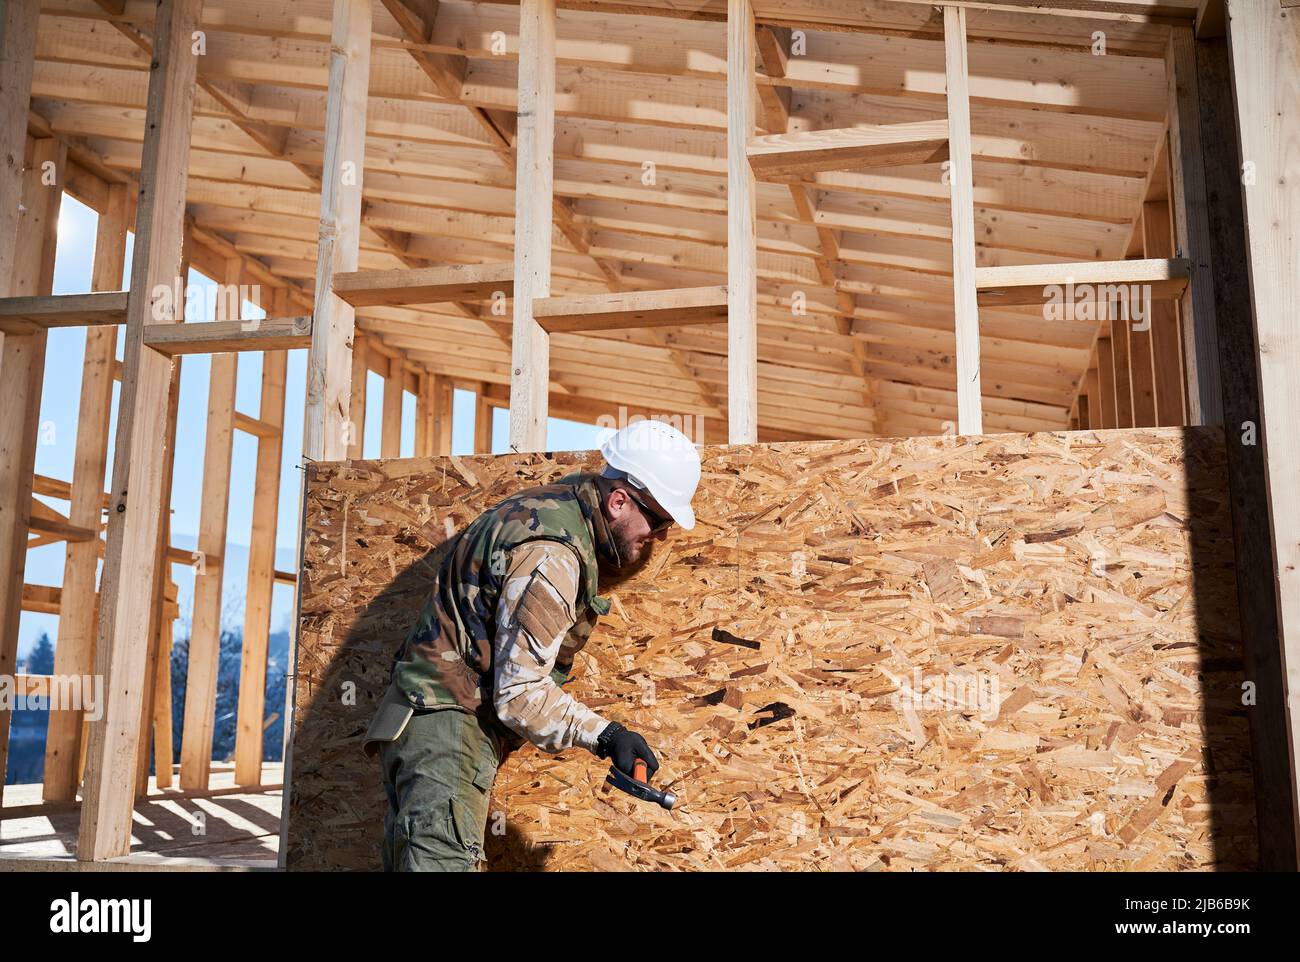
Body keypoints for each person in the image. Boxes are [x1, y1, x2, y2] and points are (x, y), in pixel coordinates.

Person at [362, 419, 702, 871]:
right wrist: (607, 735)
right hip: (445, 734)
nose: (660, 537)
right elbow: (519, 695)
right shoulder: (553, 555)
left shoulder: (553, 507)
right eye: (658, 520)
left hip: (423, 725)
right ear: (619, 500)